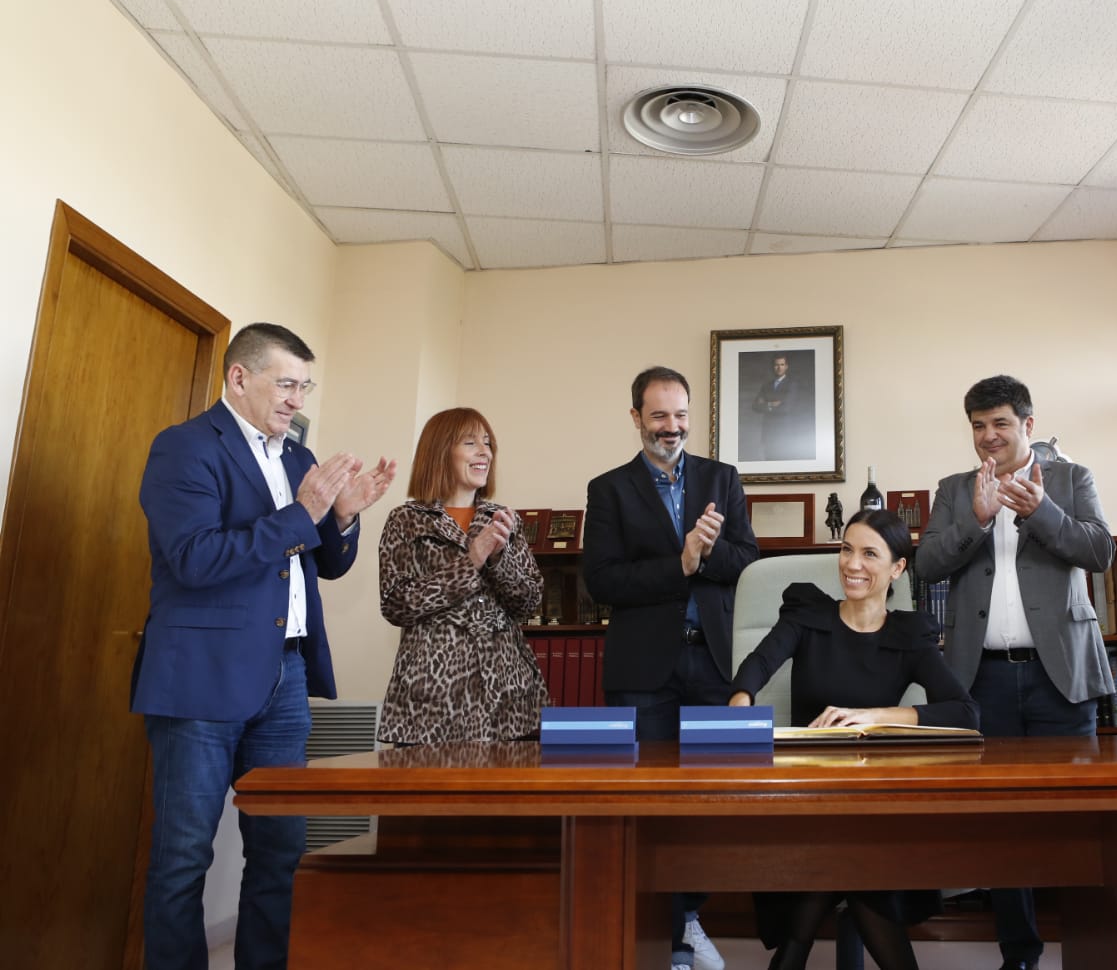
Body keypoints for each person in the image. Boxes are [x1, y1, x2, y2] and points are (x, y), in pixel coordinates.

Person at [132, 322, 397, 970]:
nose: (296, 399)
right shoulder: (184, 449)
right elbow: (194, 560)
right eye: (286, 383)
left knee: (280, 852)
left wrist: (340, 518)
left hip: (286, 681)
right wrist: (302, 515)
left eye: (304, 386)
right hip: (200, 680)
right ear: (240, 378)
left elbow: (323, 565)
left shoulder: (300, 461)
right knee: (183, 859)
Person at [916, 374, 1115, 970]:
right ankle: (1019, 954)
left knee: (1079, 823)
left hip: (1062, 676)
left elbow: (1100, 551)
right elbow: (925, 565)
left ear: (1028, 426)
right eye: (978, 426)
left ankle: (1096, 949)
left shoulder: (1073, 480)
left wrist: (1044, 512)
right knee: (1003, 824)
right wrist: (975, 520)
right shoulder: (955, 489)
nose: (988, 437)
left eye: (1000, 424)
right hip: (983, 677)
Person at [731, 509, 978, 970]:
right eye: (847, 549)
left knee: (846, 852)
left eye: (869, 554)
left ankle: (789, 959)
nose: (853, 564)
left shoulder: (909, 634)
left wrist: (874, 716)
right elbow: (760, 662)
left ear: (897, 568)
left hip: (874, 797)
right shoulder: (808, 614)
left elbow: (965, 711)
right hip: (805, 795)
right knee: (851, 858)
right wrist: (742, 696)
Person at [583, 365, 759, 970]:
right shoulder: (608, 489)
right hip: (642, 670)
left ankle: (686, 919)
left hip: (714, 664)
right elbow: (600, 581)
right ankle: (665, 929)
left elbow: (746, 562)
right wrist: (679, 562)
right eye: (659, 415)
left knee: (711, 803)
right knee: (643, 801)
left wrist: (705, 557)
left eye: (681, 414)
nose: (672, 427)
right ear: (636, 417)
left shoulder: (722, 478)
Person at [376, 408, 549, 745]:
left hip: (507, 696)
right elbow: (396, 604)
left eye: (488, 443)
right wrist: (471, 561)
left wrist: (499, 561)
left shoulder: (503, 519)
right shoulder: (406, 520)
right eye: (471, 442)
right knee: (431, 797)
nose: (485, 451)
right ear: (440, 451)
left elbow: (528, 603)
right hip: (431, 700)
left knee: (506, 796)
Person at [749, 353, 810, 460]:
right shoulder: (766, 385)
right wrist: (771, 404)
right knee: (769, 462)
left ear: (786, 366)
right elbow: (755, 406)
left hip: (785, 433)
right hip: (768, 433)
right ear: (773, 367)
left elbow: (786, 408)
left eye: (782, 364)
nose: (779, 367)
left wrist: (765, 403)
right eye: (776, 365)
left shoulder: (792, 384)